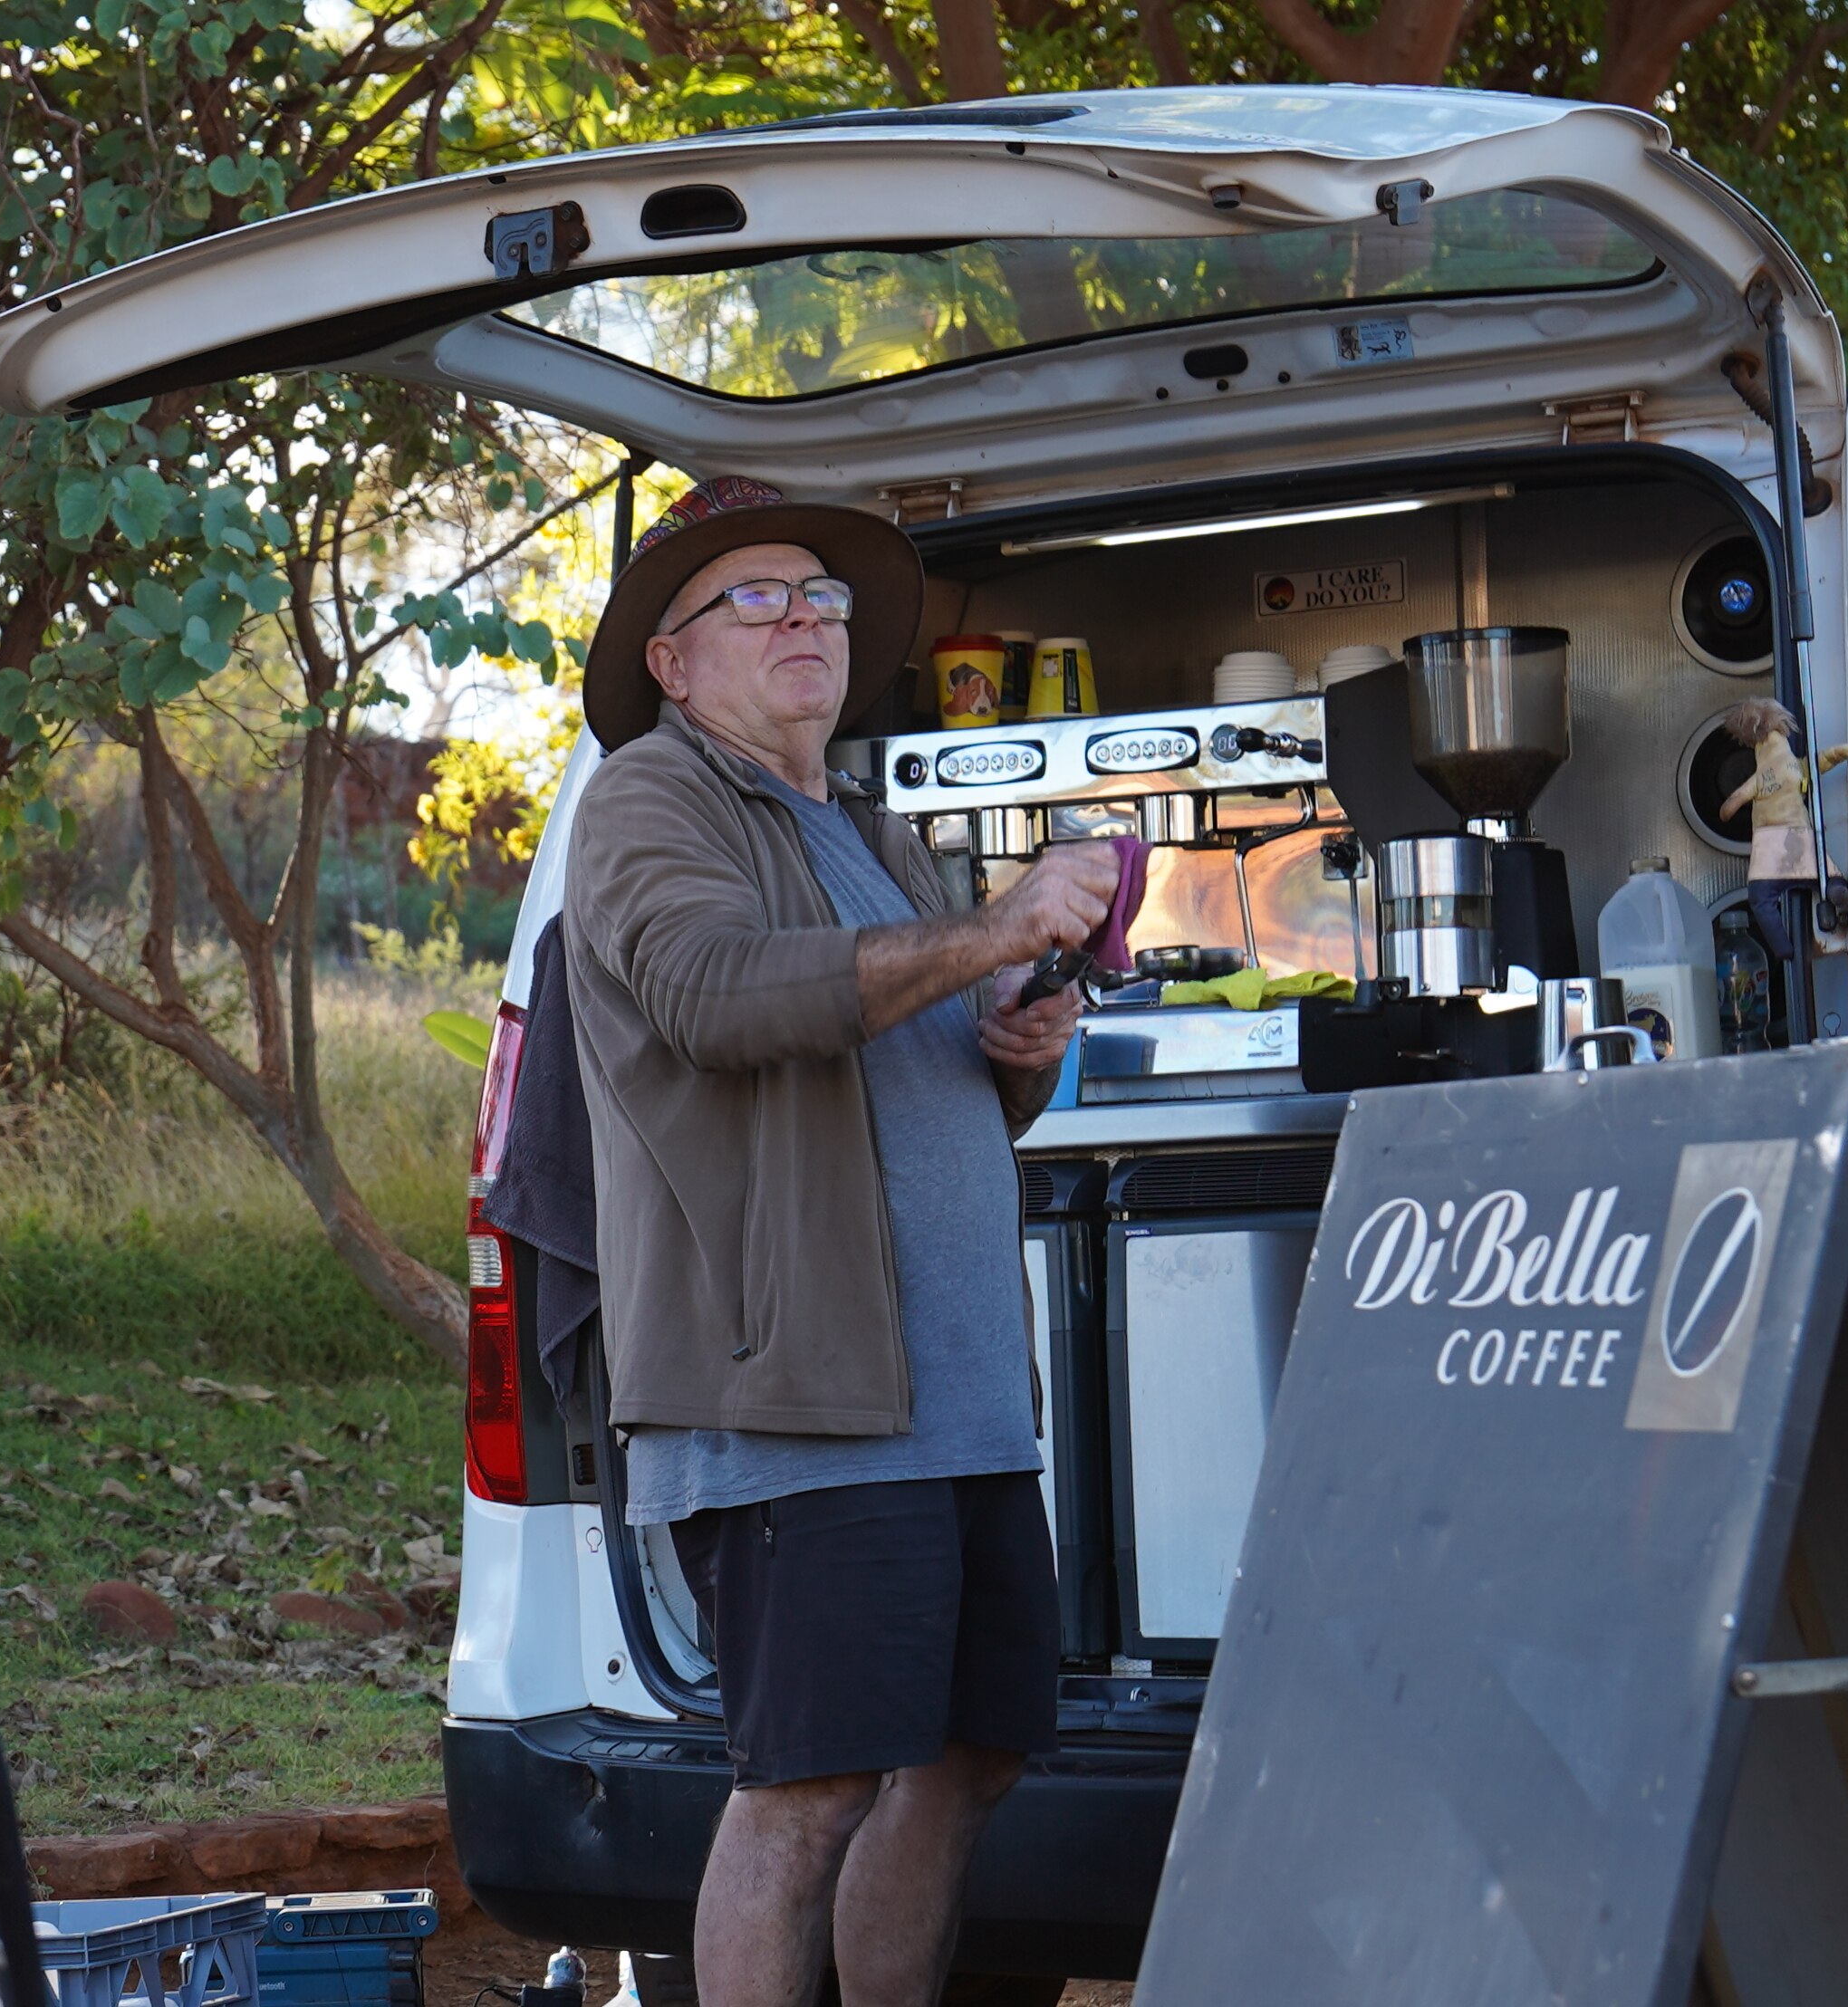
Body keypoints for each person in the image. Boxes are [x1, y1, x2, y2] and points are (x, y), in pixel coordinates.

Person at [558, 477, 1127, 2007]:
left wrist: (1010, 1044)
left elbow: (925, 1101)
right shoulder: (649, 801)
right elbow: (718, 995)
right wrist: (990, 933)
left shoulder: (868, 827)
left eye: (819, 594)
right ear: (671, 665)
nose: (801, 615)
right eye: (752, 597)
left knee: (967, 1759)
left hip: (950, 1397)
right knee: (807, 1785)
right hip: (798, 1398)